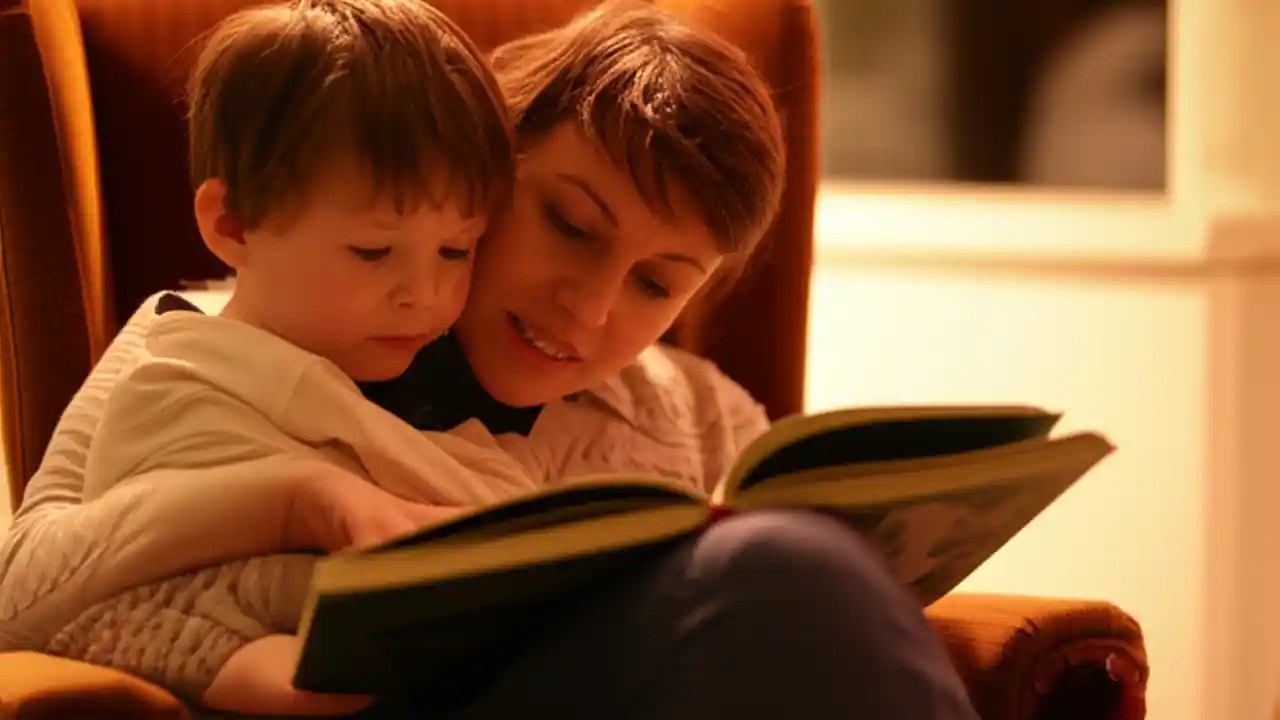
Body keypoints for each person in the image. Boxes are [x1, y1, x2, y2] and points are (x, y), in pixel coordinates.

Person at [0, 2, 980, 719]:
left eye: (655, 285)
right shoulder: (222, 347)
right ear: (480, 168)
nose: (589, 308)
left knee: (802, 566)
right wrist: (291, 498)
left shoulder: (686, 409)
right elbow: (28, 589)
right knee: (786, 566)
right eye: (568, 225)